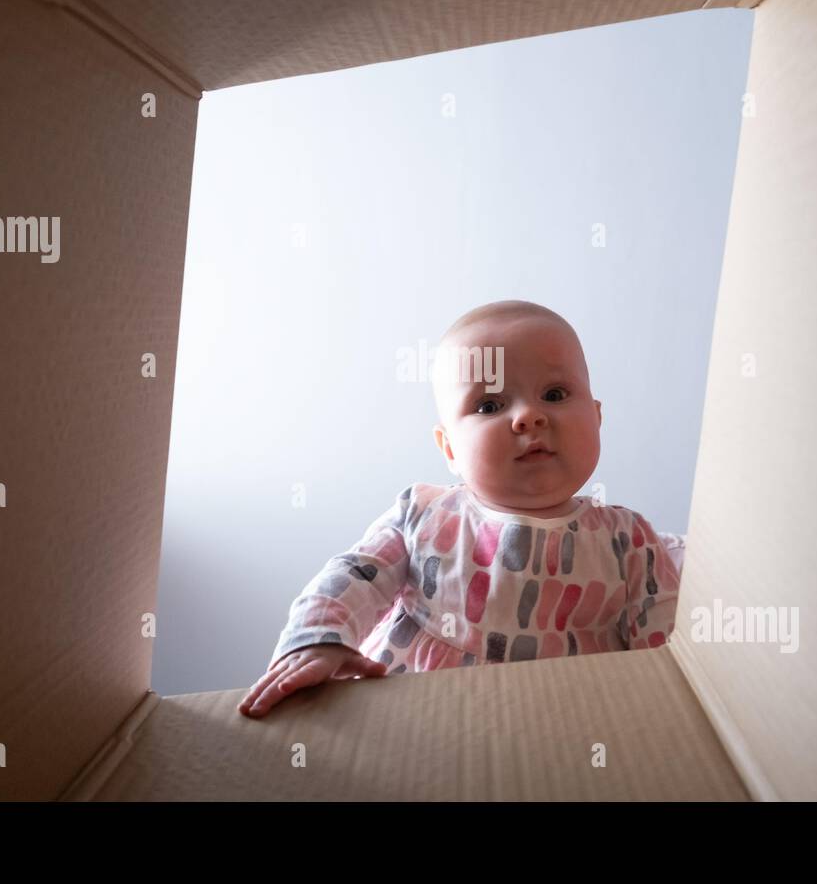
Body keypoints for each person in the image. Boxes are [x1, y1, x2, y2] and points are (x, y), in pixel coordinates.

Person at [239, 300, 684, 717]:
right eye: (490, 404)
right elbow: (356, 575)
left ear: (597, 417)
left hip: (568, 721)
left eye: (554, 394)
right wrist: (319, 641)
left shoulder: (631, 541)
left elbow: (669, 648)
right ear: (449, 447)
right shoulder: (424, 515)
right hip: (425, 716)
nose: (529, 416)